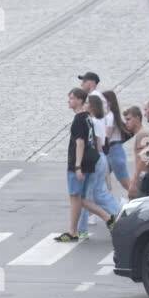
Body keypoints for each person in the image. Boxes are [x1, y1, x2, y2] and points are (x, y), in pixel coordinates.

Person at [55, 88, 115, 243]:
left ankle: (105, 219)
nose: (69, 100)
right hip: (90, 161)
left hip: (80, 163)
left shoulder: (79, 119)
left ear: (80, 101)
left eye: (72, 98)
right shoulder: (87, 117)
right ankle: (75, 230)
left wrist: (77, 166)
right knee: (80, 198)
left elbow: (80, 143)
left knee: (76, 198)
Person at [77, 95, 120, 239]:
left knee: (88, 196)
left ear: (93, 106)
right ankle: (82, 228)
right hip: (100, 158)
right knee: (94, 195)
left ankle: (119, 216)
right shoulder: (100, 121)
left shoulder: (93, 122)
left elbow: (97, 143)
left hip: (95, 158)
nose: (85, 104)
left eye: (88, 102)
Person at [103, 90, 131, 190]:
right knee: (100, 180)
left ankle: (142, 201)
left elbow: (107, 136)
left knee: (127, 184)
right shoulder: (111, 115)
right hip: (113, 150)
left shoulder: (110, 116)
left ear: (109, 102)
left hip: (114, 151)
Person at [124, 106, 149, 199]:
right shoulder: (142, 134)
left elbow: (144, 158)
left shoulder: (142, 134)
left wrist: (134, 181)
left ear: (137, 118)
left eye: (129, 119)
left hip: (143, 179)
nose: (126, 123)